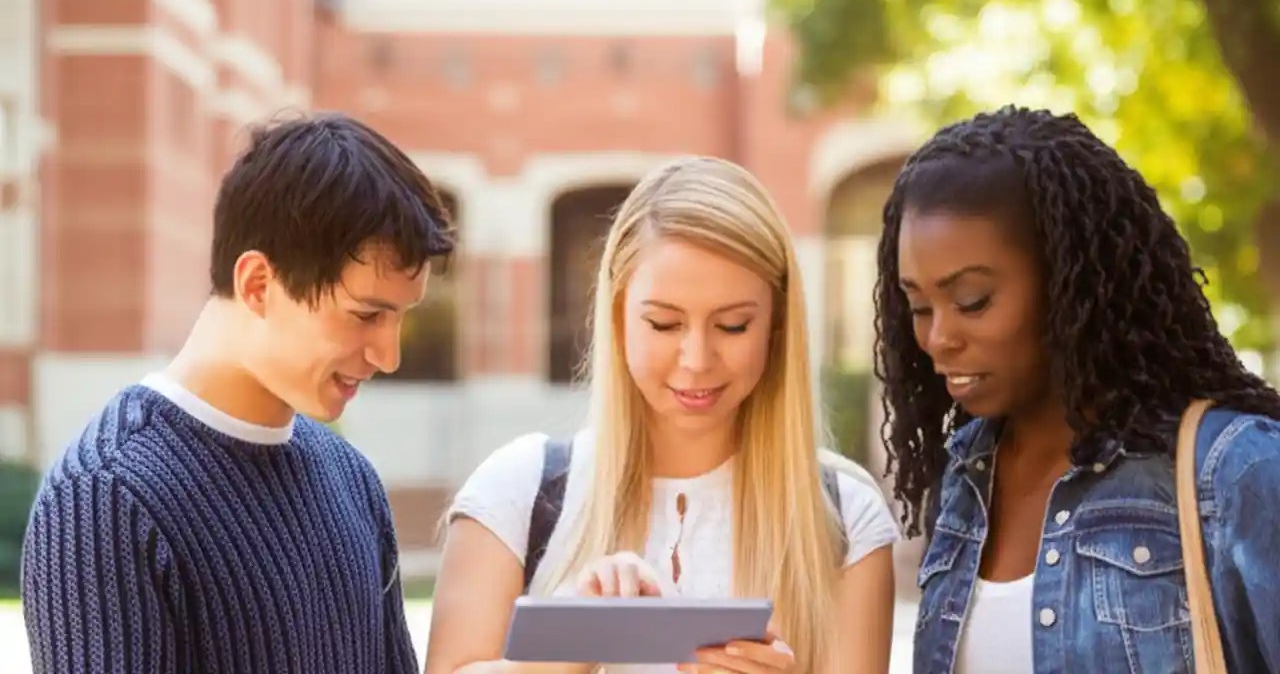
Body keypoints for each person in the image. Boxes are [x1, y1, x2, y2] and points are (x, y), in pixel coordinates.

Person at [424, 156, 899, 674]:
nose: (696, 360)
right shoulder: (517, 490)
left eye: (734, 326)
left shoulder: (843, 517)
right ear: (619, 316)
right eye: (665, 324)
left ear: (777, 326)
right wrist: (572, 644)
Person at [20, 112, 454, 673]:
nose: (388, 356)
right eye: (366, 314)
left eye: (400, 318)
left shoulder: (352, 481)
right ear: (257, 284)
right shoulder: (106, 497)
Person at [874, 105, 1280, 673]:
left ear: (1071, 284)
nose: (938, 337)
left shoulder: (1234, 471)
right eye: (917, 306)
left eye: (972, 301)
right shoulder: (965, 482)